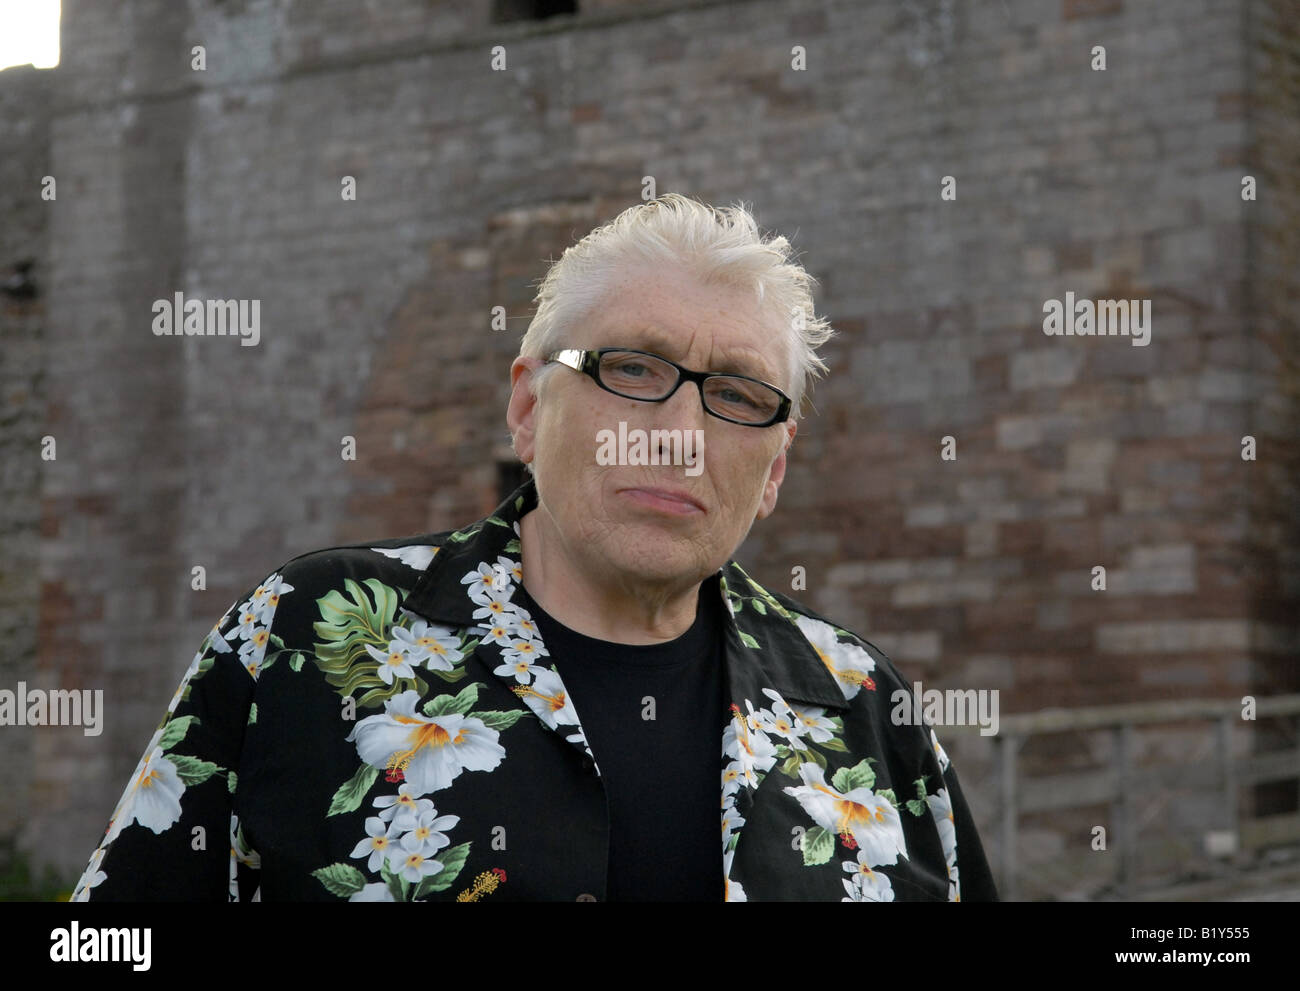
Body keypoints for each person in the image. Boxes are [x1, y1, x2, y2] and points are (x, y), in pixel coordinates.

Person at [71, 194, 996, 902]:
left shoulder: (861, 701)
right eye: (633, 368)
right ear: (525, 405)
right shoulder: (307, 634)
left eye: (740, 395)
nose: (678, 433)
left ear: (776, 467)